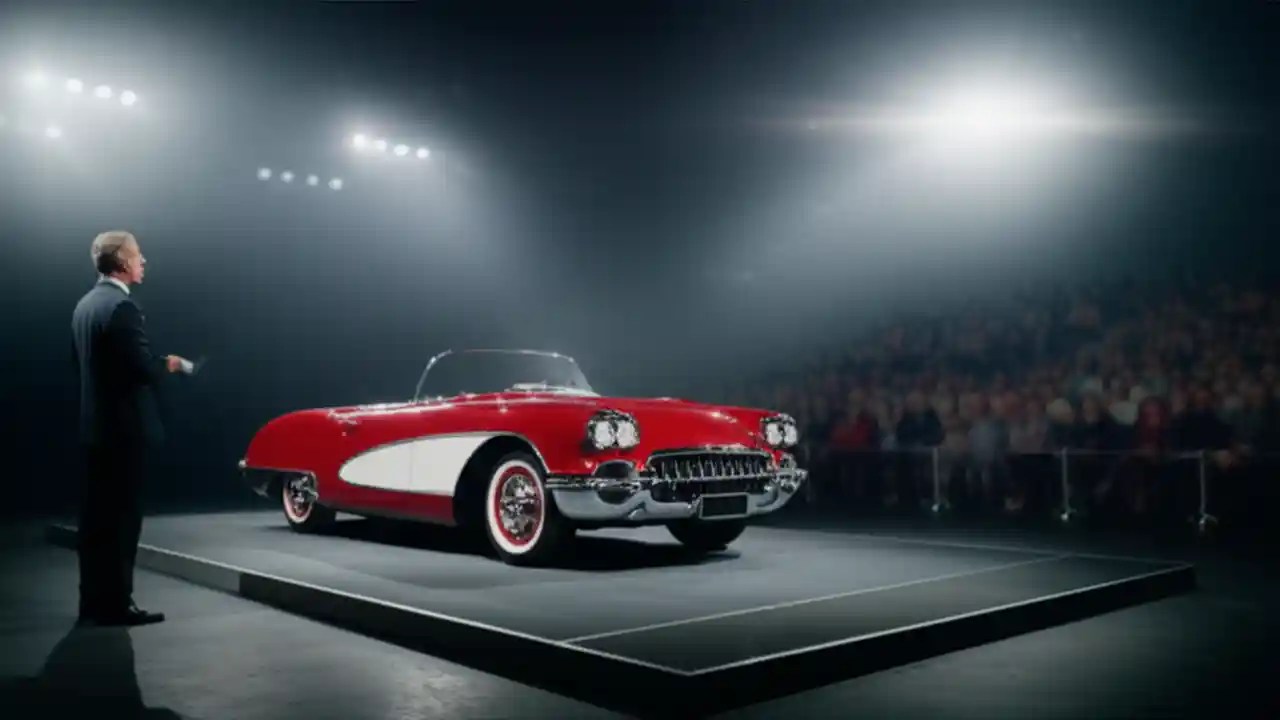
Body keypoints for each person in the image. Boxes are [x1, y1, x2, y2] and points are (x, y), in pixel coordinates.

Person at [70, 231, 191, 626]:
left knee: (95, 524)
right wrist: (169, 365)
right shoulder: (122, 307)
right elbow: (141, 369)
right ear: (122, 261)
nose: (143, 262)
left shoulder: (85, 305)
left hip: (94, 431)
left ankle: (92, 603)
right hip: (124, 435)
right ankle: (117, 605)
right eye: (138, 256)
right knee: (121, 523)